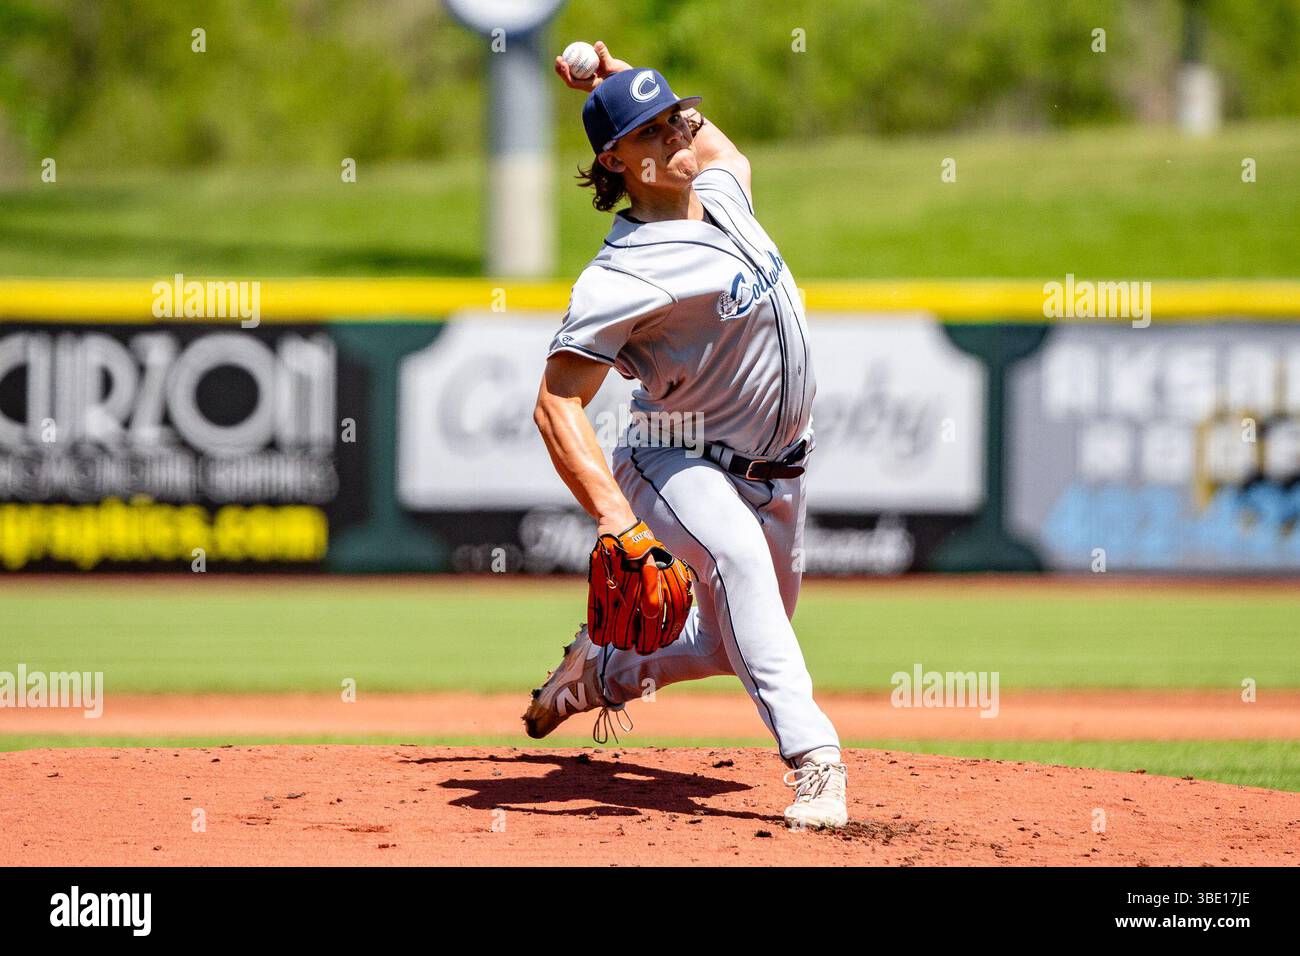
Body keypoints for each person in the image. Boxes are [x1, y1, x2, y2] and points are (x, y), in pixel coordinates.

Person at [523, 42, 847, 829]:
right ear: (618, 161)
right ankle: (817, 765)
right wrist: (613, 516)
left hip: (780, 472)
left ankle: (602, 671)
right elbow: (556, 403)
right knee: (736, 563)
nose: (678, 135)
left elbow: (725, 150)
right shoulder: (620, 276)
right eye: (654, 131)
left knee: (724, 638)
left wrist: (615, 75)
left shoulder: (723, 194)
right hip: (677, 455)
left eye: (676, 118)